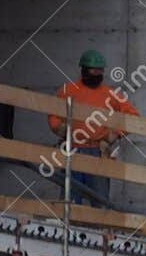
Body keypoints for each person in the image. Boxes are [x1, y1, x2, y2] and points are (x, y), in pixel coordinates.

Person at [46, 47, 139, 206]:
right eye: (93, 71)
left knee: (100, 200)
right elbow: (53, 114)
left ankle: (99, 229)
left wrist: (115, 134)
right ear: (83, 70)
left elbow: (133, 116)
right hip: (72, 150)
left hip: (98, 152)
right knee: (70, 200)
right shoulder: (68, 91)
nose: (97, 75)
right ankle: (69, 229)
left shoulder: (110, 94)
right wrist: (59, 129)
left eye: (100, 71)